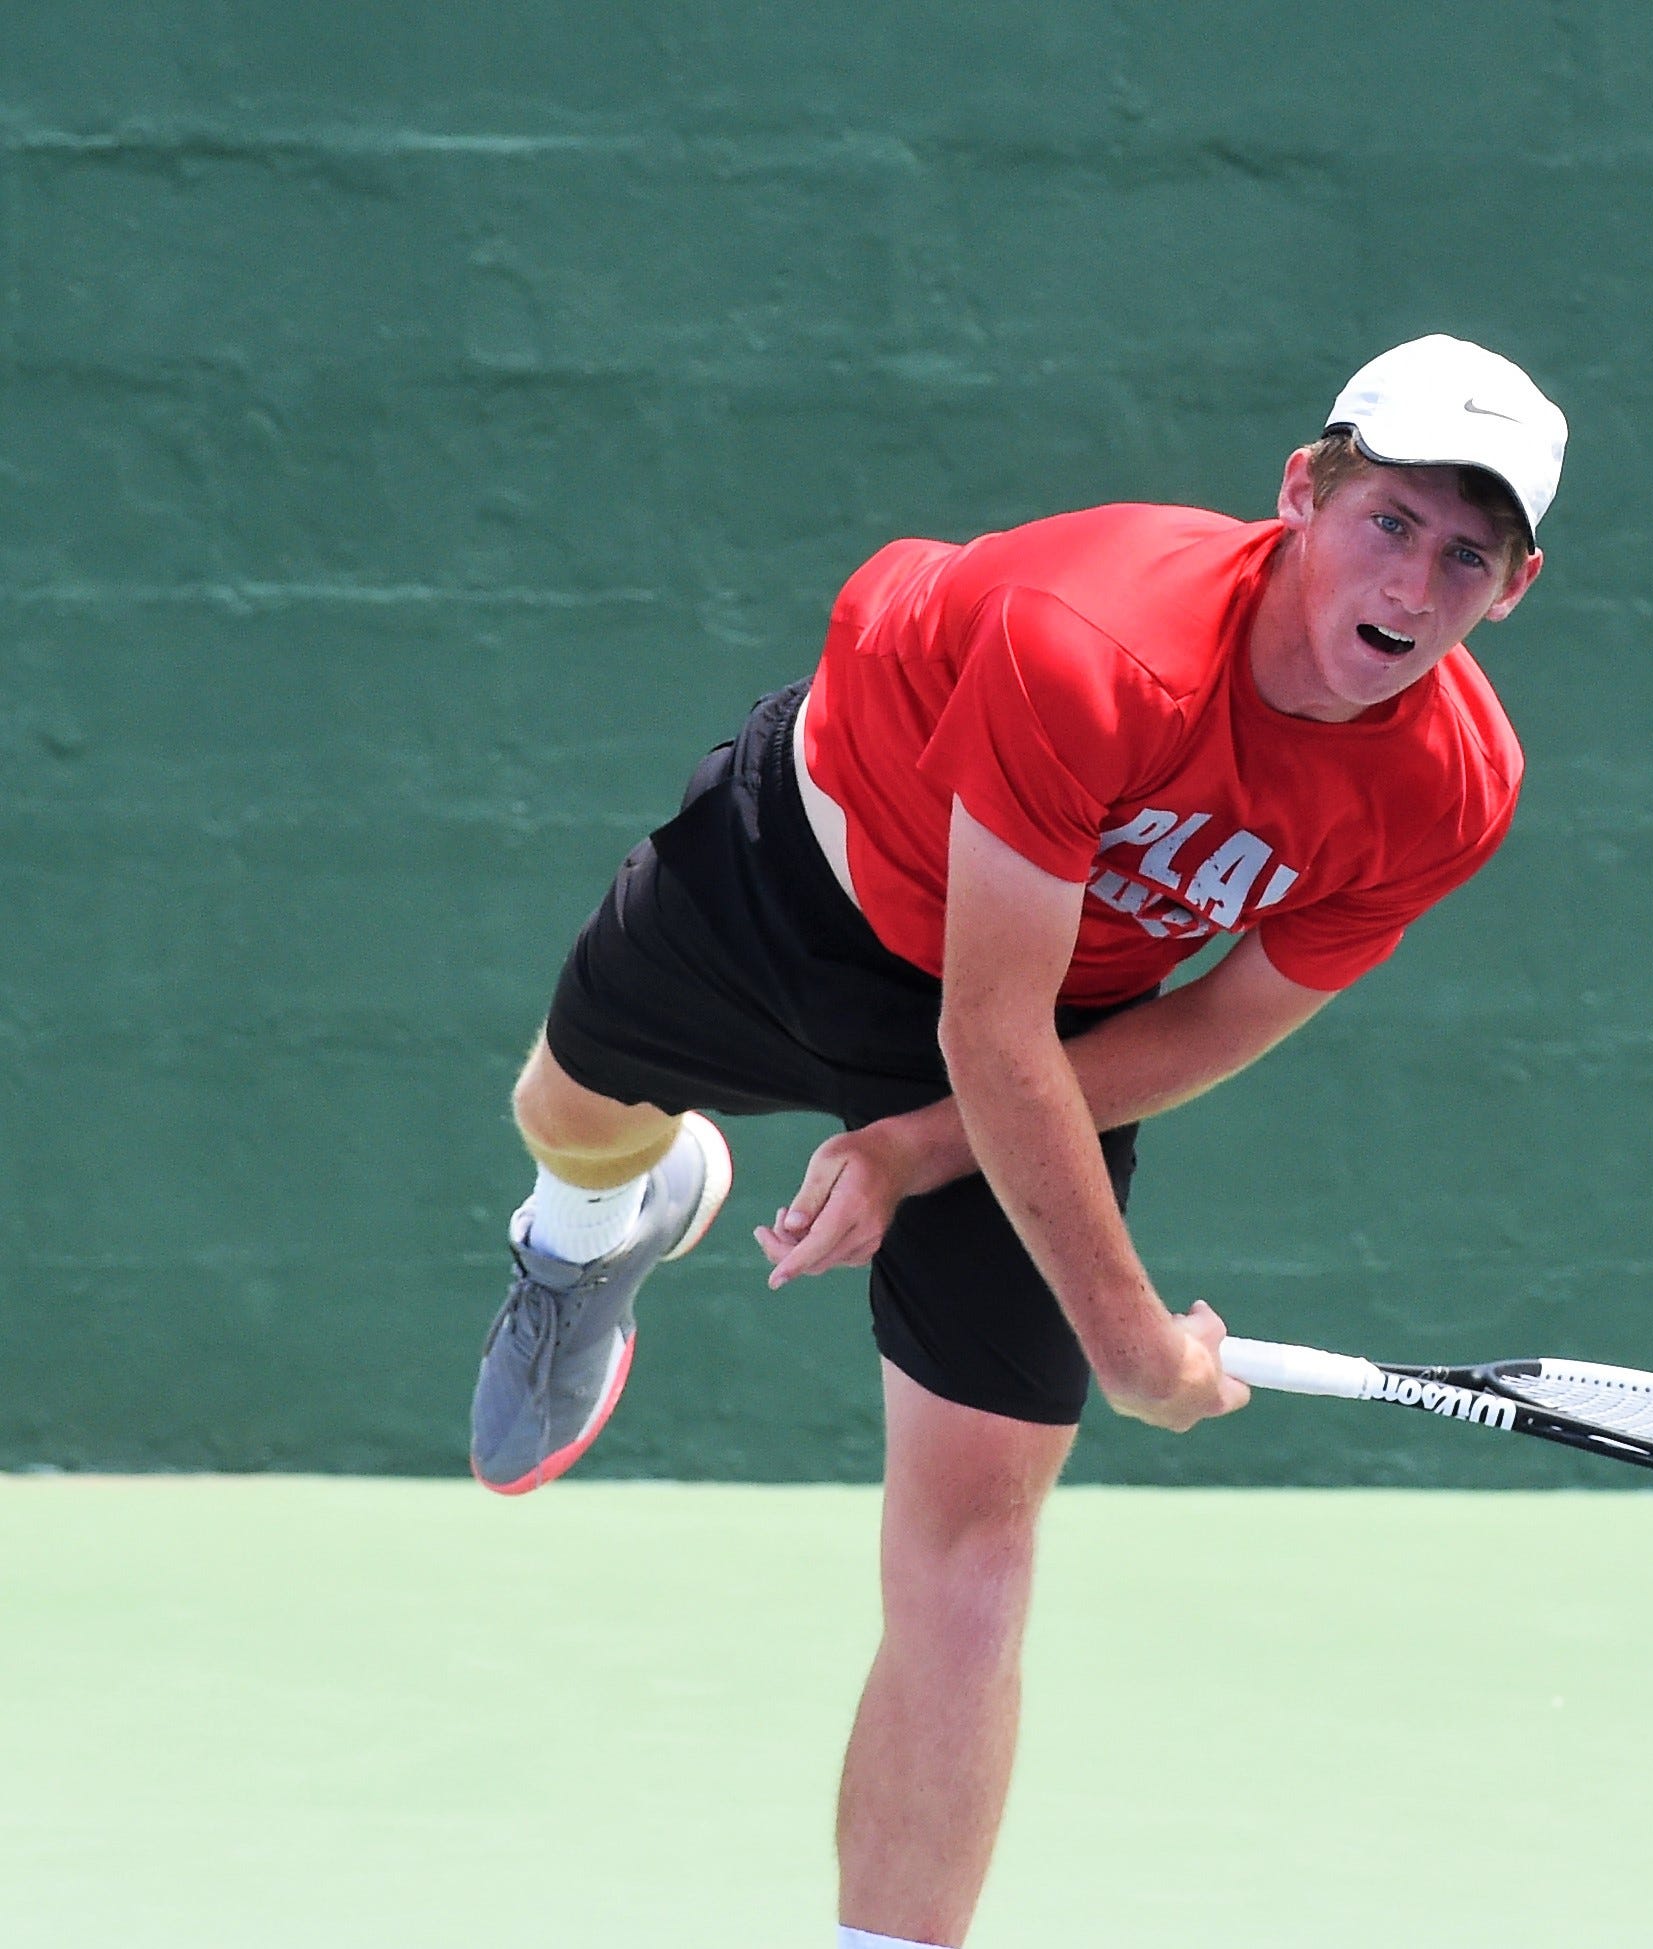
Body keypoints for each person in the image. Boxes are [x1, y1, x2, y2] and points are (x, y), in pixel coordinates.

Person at [466, 334, 1563, 1948]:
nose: (1416, 579)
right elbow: (987, 1026)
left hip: (1052, 1017)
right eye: (1389, 521)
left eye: (1467, 552)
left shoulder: (1452, 786)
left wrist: (911, 1153)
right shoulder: (1097, 642)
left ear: (1513, 587)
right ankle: (593, 1232)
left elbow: (1195, 1027)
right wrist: (1135, 1344)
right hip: (800, 876)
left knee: (978, 1521)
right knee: (565, 1112)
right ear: (1299, 496)